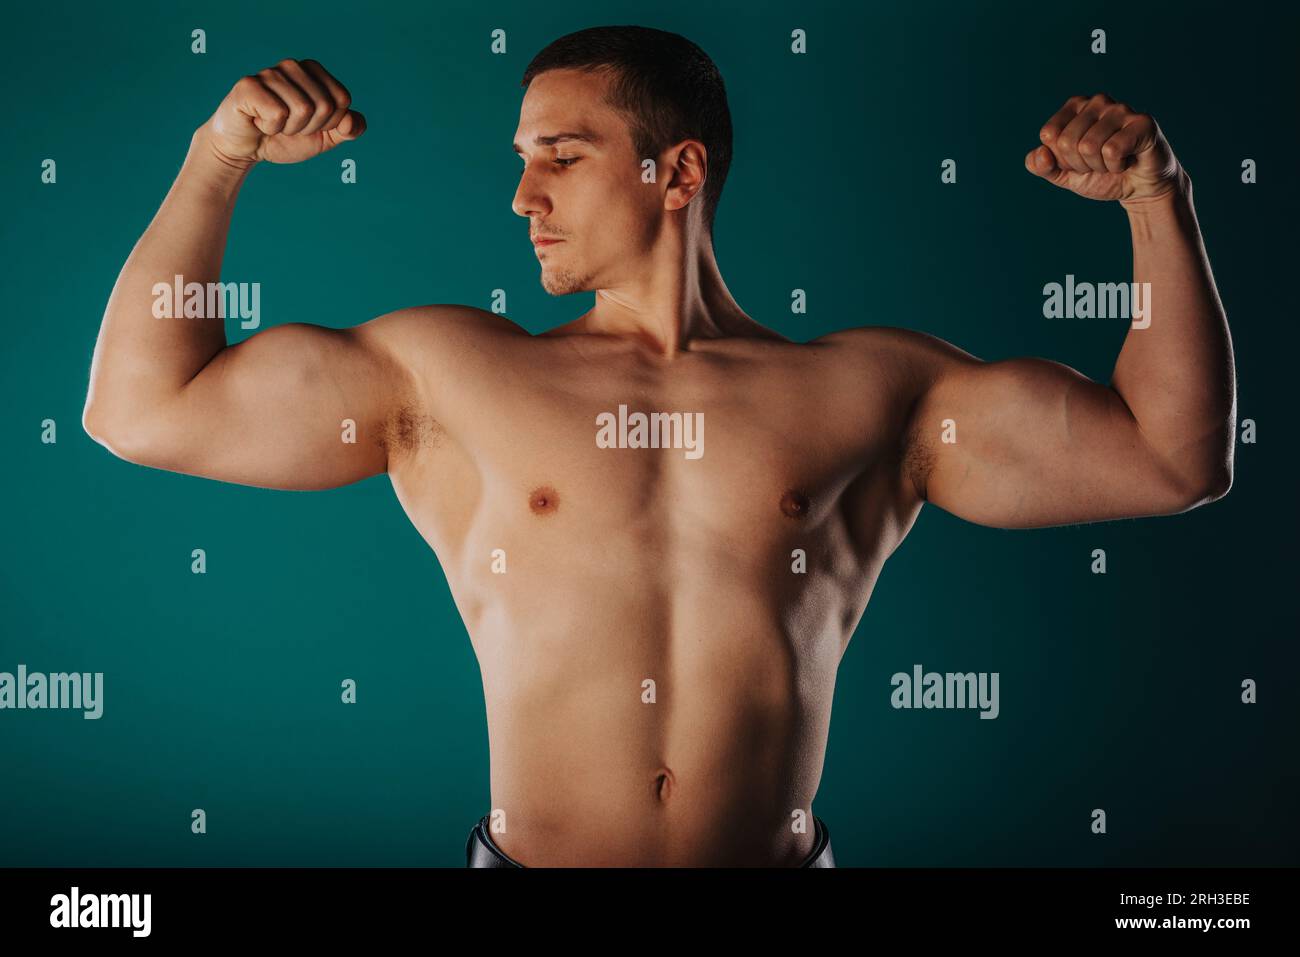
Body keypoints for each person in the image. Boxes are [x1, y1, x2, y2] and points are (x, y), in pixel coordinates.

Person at [82, 26, 1235, 867]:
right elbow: (143, 409)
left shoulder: (870, 386)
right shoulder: (449, 373)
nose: (523, 195)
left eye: (563, 156)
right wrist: (216, 157)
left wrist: (1155, 200)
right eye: (522, 157)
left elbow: (1169, 459)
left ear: (675, 171)